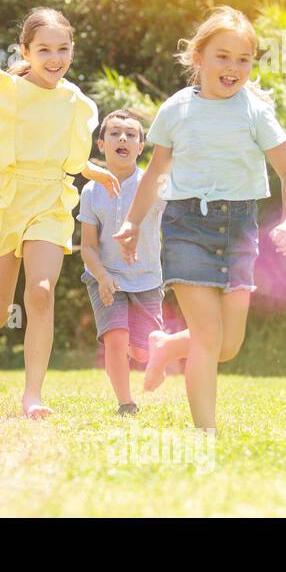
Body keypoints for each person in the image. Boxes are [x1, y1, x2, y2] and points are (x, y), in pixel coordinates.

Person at [115, 6, 286, 431]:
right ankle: (206, 433)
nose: (233, 67)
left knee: (227, 345)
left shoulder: (254, 110)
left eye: (243, 59)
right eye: (223, 56)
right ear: (198, 57)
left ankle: (165, 346)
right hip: (186, 226)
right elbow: (157, 173)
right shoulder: (176, 109)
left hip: (239, 229)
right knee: (207, 335)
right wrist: (132, 222)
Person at [0, 7, 121, 419]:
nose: (55, 58)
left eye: (63, 49)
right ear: (25, 50)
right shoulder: (6, 91)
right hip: (6, 199)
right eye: (44, 49)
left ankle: (33, 395)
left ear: (72, 49)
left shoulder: (75, 102)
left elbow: (72, 157)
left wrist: (94, 170)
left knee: (40, 293)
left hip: (49, 200)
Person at [77, 110, 171, 415]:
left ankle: (146, 348)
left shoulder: (154, 185)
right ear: (101, 144)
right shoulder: (91, 191)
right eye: (115, 133)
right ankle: (125, 403)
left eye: (131, 134)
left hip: (147, 278)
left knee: (144, 353)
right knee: (116, 339)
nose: (123, 138)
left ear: (141, 146)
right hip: (107, 278)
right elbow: (88, 247)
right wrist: (102, 277)